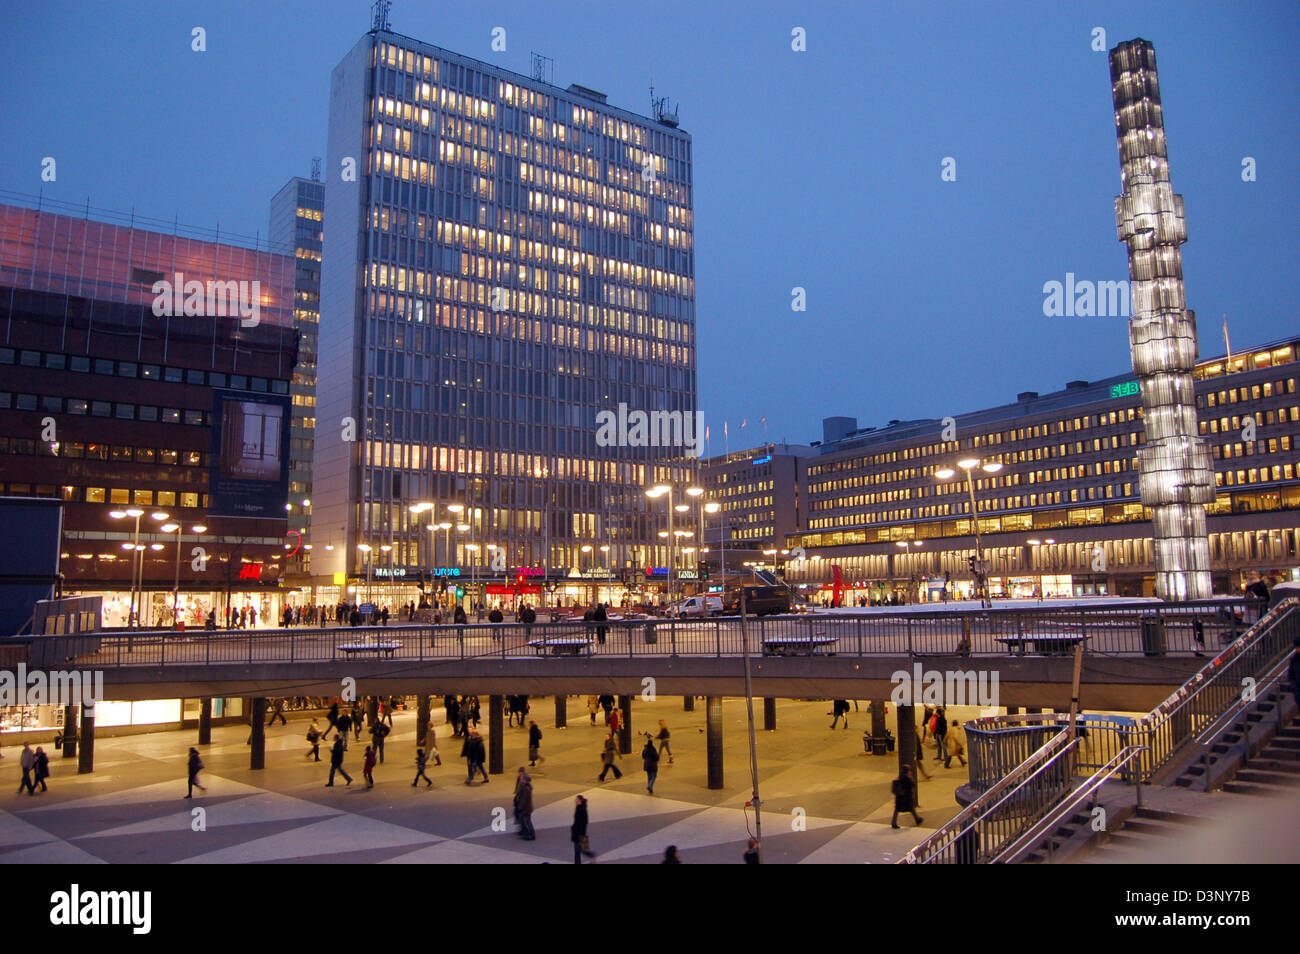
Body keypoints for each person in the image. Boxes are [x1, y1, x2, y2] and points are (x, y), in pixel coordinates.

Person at [571, 795, 595, 863]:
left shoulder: (582, 810)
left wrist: (578, 832)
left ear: (580, 800)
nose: (575, 801)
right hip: (578, 833)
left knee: (578, 851)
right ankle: (591, 856)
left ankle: (591, 856)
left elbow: (583, 822)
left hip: (579, 834)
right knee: (581, 850)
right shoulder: (579, 807)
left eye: (577, 800)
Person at [516, 770, 535, 840]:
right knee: (526, 820)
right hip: (527, 808)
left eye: (522, 779)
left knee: (526, 821)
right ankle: (528, 833)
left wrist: (520, 807)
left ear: (525, 780)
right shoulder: (527, 787)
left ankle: (530, 834)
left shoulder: (525, 788)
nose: (520, 780)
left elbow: (524, 799)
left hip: (526, 808)